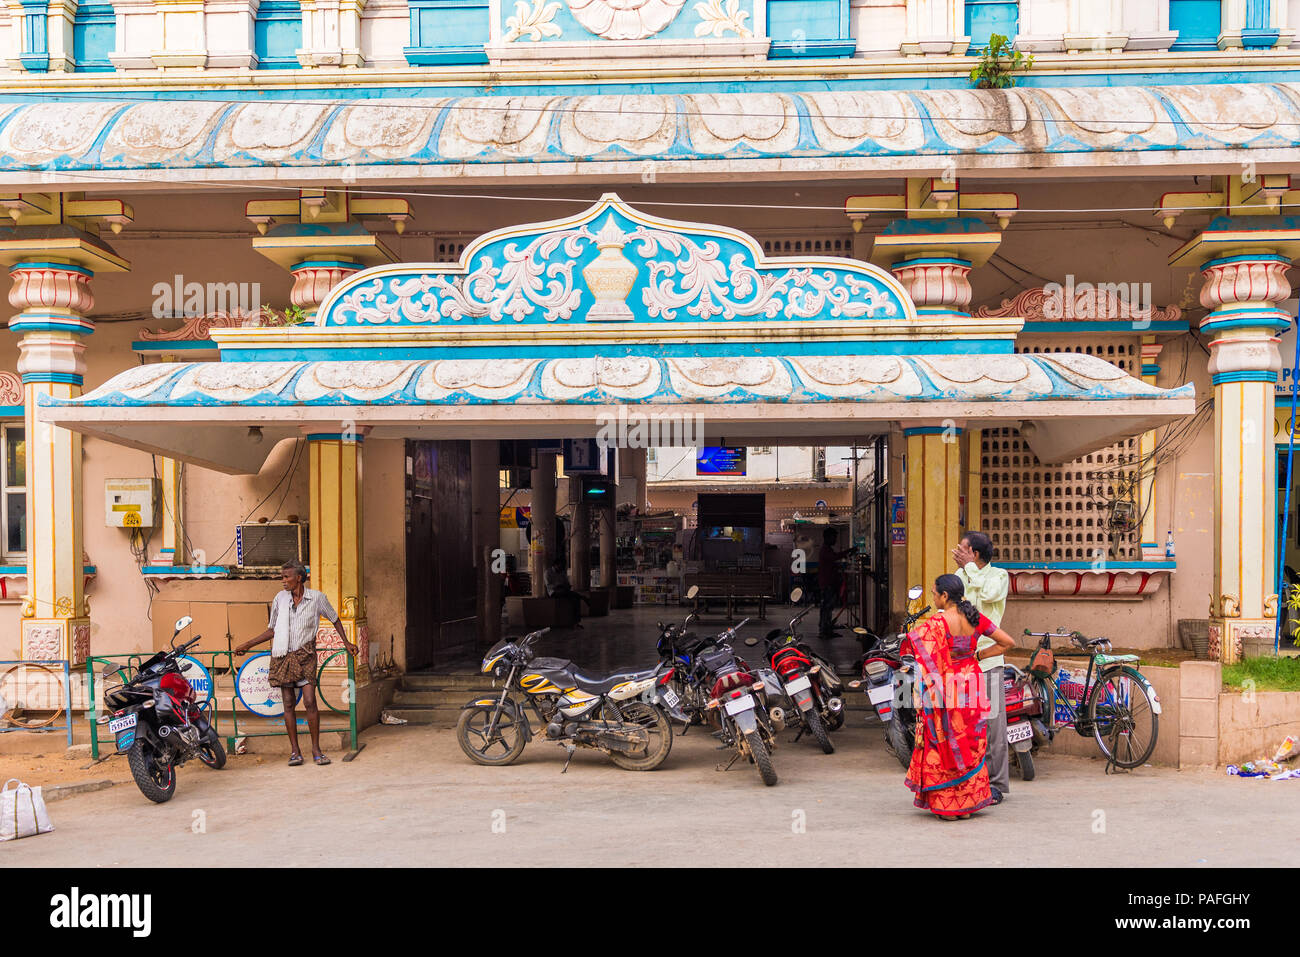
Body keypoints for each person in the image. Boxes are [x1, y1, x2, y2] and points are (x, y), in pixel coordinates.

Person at [903, 573, 1015, 820]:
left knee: (943, 741)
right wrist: (979, 656)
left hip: (947, 686)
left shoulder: (937, 624)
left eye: (934, 593)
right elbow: (1007, 642)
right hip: (972, 685)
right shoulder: (975, 618)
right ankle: (967, 805)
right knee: (969, 742)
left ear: (945, 596)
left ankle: (949, 807)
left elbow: (916, 649)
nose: (933, 597)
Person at [235, 561, 357, 767]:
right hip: (283, 655)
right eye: (282, 577)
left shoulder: (317, 598)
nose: (282, 581)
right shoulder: (280, 600)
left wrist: (346, 642)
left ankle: (316, 750)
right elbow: (272, 629)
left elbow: (335, 619)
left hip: (306, 654)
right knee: (288, 703)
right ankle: (295, 752)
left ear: (298, 578)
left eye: (286, 577)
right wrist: (247, 644)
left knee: (310, 700)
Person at [953, 529, 1012, 804]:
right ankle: (969, 781)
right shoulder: (960, 577)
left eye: (963, 549)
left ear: (974, 554)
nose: (957, 552)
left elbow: (988, 596)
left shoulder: (998, 576)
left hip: (988, 661)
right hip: (961, 663)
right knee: (964, 725)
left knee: (993, 726)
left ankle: (997, 783)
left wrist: (968, 569)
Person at [817, 529, 856, 639]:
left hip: (828, 583)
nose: (835, 540)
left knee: (827, 608)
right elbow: (834, 558)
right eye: (833, 537)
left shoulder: (827, 549)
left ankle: (826, 629)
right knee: (827, 608)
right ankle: (824, 631)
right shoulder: (825, 550)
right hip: (827, 584)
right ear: (827, 537)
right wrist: (848, 551)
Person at [544, 560, 589, 629]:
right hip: (554, 592)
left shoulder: (562, 573)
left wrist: (567, 585)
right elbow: (548, 585)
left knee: (576, 600)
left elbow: (566, 582)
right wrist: (558, 585)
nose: (561, 567)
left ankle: (576, 622)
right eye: (560, 566)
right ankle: (583, 598)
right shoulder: (548, 572)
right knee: (573, 595)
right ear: (555, 565)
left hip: (564, 591)